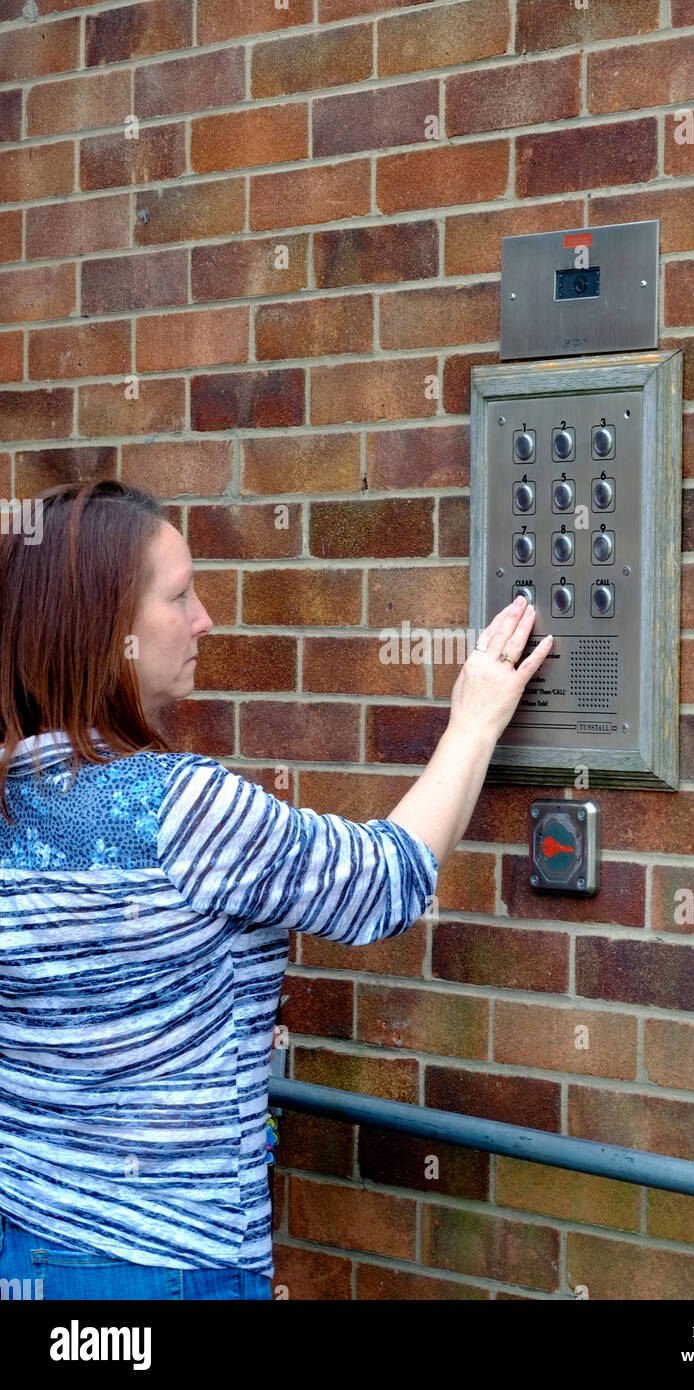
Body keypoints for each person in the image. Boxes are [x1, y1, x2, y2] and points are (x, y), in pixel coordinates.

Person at [0, 479, 553, 1301]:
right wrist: (472, 723)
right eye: (179, 595)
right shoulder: (178, 807)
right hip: (167, 1265)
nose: (204, 619)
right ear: (105, 629)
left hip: (25, 1250)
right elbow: (379, 882)